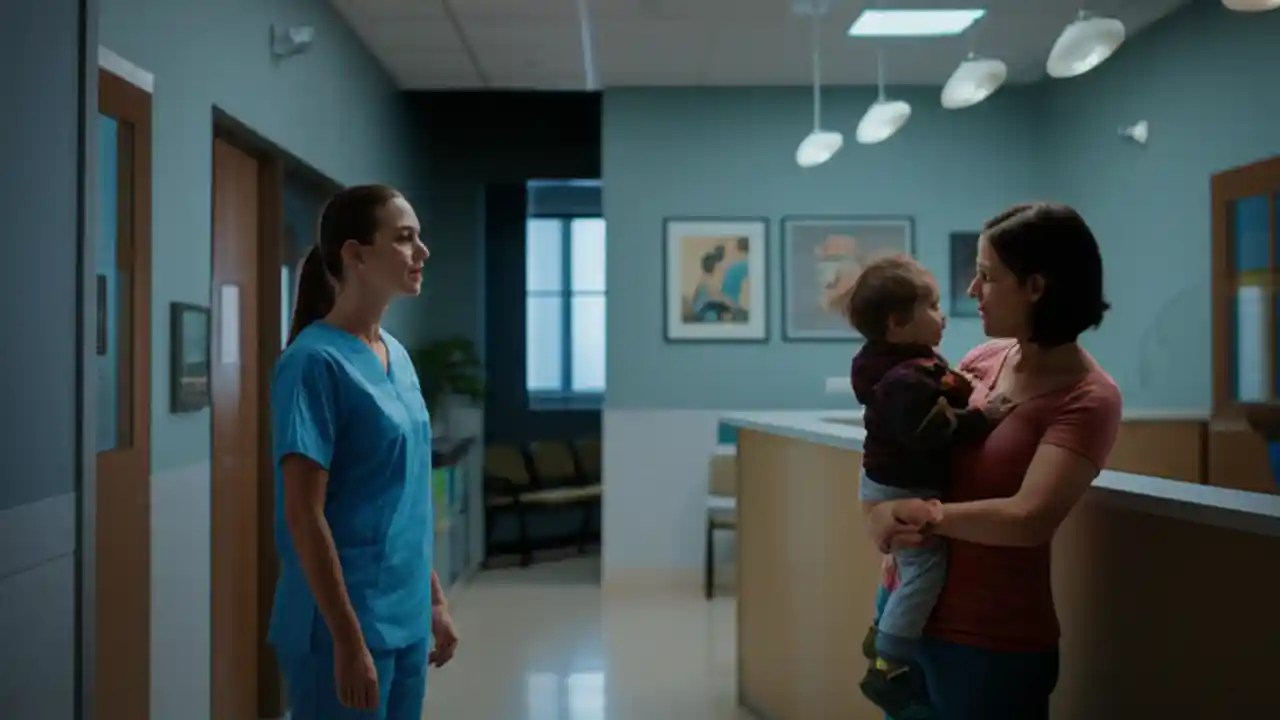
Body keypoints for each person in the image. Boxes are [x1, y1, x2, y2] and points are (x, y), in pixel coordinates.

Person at [863, 202, 1121, 720]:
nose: (971, 291)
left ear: (1036, 287)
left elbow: (1028, 519)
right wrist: (879, 514)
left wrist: (925, 515)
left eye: (986, 276)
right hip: (907, 613)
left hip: (988, 643)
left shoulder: (1087, 398)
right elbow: (913, 452)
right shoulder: (981, 361)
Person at [269, 184, 459, 720]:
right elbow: (304, 515)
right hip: (338, 625)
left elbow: (403, 499)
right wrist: (349, 642)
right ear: (355, 254)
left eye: (418, 238)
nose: (421, 252)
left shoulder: (395, 354)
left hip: (403, 614)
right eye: (404, 239)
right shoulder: (312, 364)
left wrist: (435, 601)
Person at [844, 256, 1012, 720]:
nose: (944, 316)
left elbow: (944, 382)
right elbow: (934, 427)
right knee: (923, 570)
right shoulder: (903, 379)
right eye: (933, 307)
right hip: (902, 488)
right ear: (898, 325)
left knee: (910, 568)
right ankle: (888, 661)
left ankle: (885, 632)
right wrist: (983, 416)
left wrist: (965, 389)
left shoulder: (902, 363)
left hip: (892, 484)